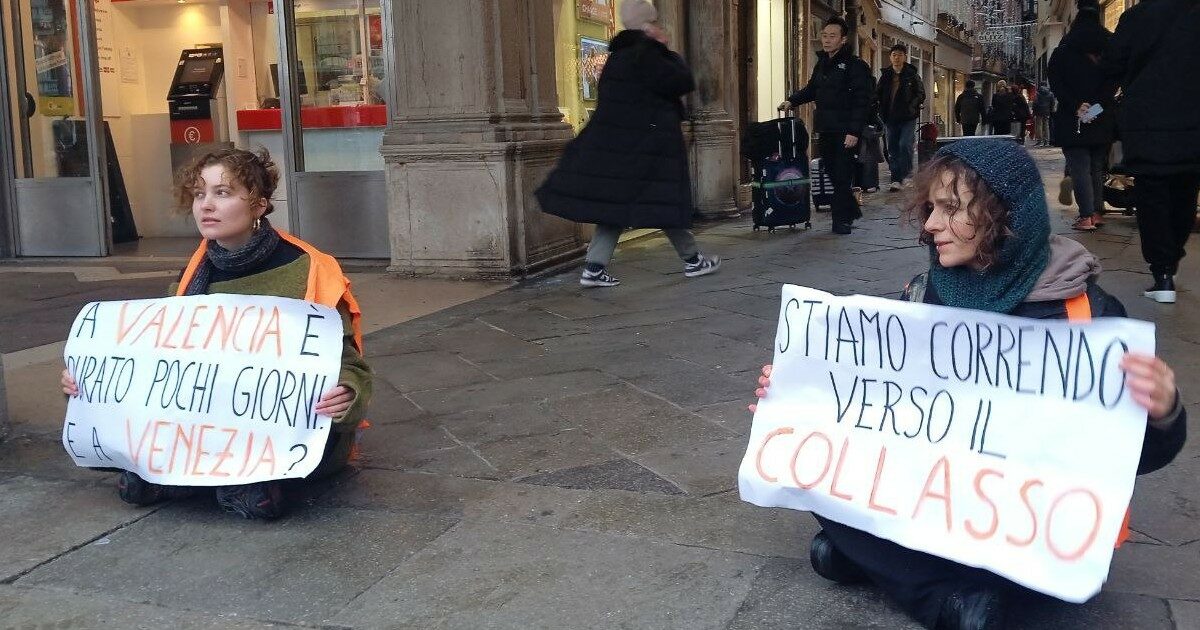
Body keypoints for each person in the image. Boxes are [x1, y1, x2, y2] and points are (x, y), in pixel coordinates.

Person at [751, 140, 1186, 629]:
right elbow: (880, 409)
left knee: (1029, 565)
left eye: (952, 208)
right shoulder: (924, 293)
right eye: (931, 208)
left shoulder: (1090, 315)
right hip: (939, 499)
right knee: (818, 476)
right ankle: (939, 593)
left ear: (1006, 216)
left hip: (1026, 519)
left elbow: (1136, 458)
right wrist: (797, 395)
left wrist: (1161, 410)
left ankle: (889, 568)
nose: (931, 223)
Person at [60, 148, 373, 520]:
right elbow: (161, 360)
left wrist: (347, 393)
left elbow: (348, 363)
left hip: (283, 429)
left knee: (261, 481)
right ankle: (205, 479)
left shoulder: (310, 269)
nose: (206, 205)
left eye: (222, 193)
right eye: (199, 194)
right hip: (213, 424)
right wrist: (91, 378)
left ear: (258, 205)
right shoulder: (195, 272)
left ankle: (200, 480)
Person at [536, 0, 720, 288]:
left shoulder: (617, 57)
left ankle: (594, 268)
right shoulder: (647, 54)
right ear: (648, 24)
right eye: (655, 22)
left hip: (621, 149)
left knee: (616, 207)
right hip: (649, 148)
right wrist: (666, 50)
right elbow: (682, 81)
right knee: (664, 202)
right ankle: (693, 261)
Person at [1104, 0, 1200, 303]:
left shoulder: (1136, 17)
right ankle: (1171, 259)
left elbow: (1111, 66)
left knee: (1152, 196)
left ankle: (1162, 274)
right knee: (1185, 189)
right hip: (1191, 119)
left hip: (1147, 120)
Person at [779, 17, 873, 234]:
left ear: (842, 39)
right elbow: (812, 89)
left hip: (845, 130)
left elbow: (862, 101)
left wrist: (854, 131)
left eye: (832, 36)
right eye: (824, 35)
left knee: (841, 174)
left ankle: (841, 221)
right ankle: (850, 211)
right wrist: (792, 100)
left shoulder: (855, 66)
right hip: (826, 128)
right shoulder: (822, 64)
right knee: (831, 172)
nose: (827, 40)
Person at [1049, 5, 1116, 232]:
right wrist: (1095, 108)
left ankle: (1086, 216)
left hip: (1072, 118)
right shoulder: (1108, 48)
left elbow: (1056, 83)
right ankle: (1096, 212)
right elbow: (1113, 83)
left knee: (1079, 167)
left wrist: (1077, 107)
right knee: (1097, 167)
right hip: (1101, 117)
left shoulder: (1064, 49)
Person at [876, 44, 926, 191]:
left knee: (905, 144)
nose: (896, 58)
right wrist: (878, 107)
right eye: (894, 55)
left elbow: (921, 93)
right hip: (889, 117)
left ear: (904, 57)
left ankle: (908, 175)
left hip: (907, 117)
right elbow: (877, 93)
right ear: (890, 57)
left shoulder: (912, 75)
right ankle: (895, 178)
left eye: (899, 55)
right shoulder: (885, 76)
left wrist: (912, 106)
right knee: (892, 147)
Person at [1033, 82, 1055, 147]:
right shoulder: (1050, 93)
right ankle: (1047, 141)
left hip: (1038, 112)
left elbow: (1035, 103)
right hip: (1047, 111)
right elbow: (1052, 103)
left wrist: (1034, 111)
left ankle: (1039, 140)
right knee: (1046, 125)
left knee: (1039, 125)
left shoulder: (1037, 93)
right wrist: (1050, 110)